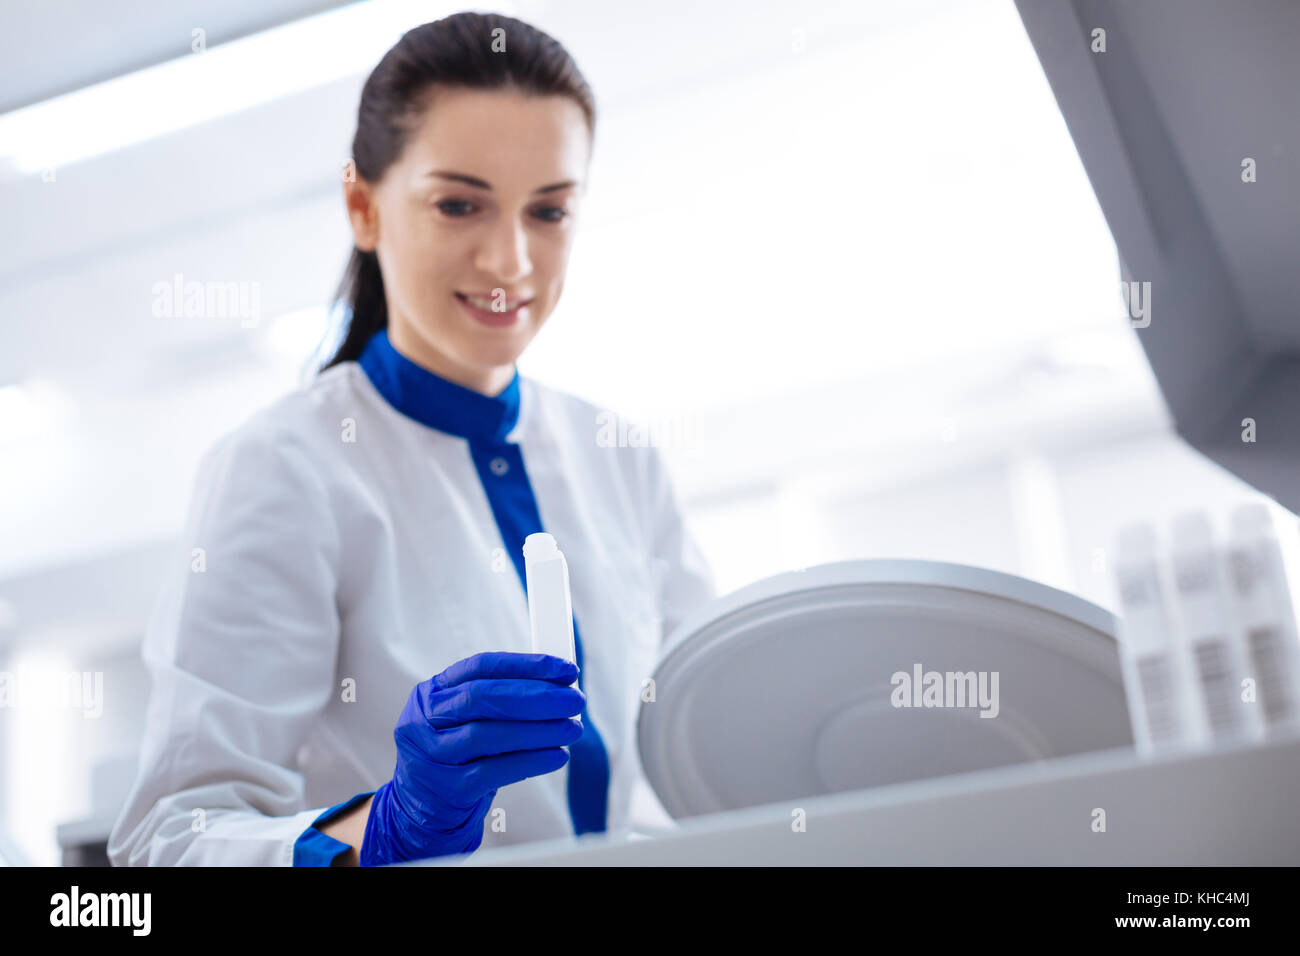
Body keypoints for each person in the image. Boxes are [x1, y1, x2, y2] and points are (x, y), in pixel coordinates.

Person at [107, 11, 716, 867]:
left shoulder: (618, 455)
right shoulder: (285, 468)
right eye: (459, 204)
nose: (510, 261)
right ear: (363, 205)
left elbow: (706, 734)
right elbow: (169, 839)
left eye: (549, 211)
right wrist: (388, 829)